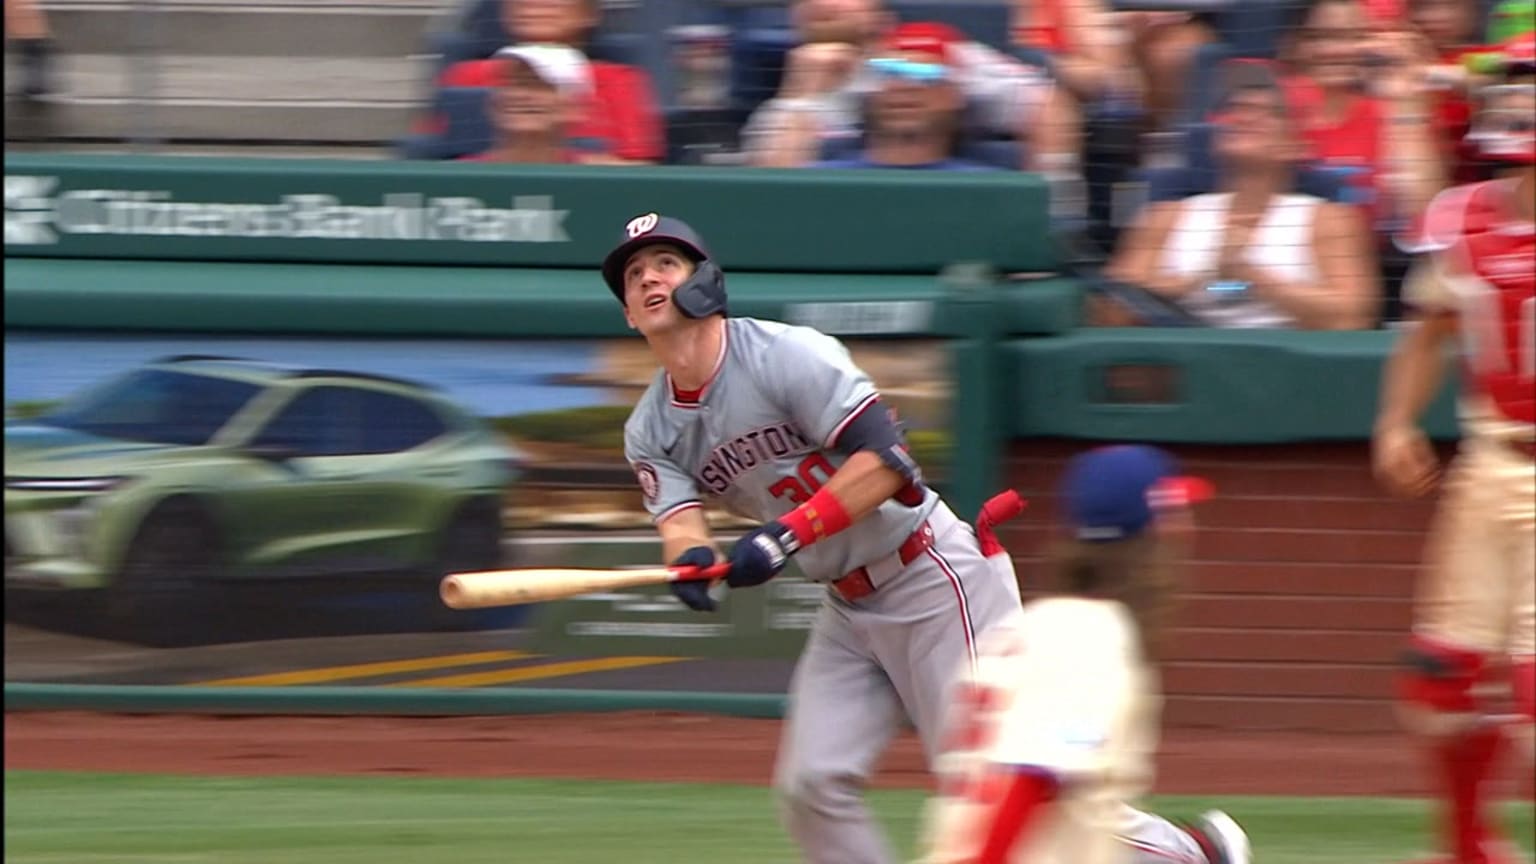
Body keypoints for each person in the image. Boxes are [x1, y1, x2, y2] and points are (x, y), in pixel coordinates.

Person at [604, 212, 1026, 864]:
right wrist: (691, 558)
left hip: (933, 574)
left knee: (994, 789)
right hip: (848, 607)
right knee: (811, 787)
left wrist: (781, 540)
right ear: (631, 313)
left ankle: (1184, 852)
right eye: (634, 275)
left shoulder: (785, 355)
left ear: (705, 281)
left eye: (666, 263)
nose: (649, 278)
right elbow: (680, 519)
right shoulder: (650, 428)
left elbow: (888, 463)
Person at [915, 445, 1251, 864]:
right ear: (1152, 535)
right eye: (1174, 516)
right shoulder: (1090, 641)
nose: (1186, 530)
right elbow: (1026, 783)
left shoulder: (1037, 628)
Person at [1371, 33, 1534, 864]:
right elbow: (1428, 329)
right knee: (1436, 679)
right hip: (1491, 461)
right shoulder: (1465, 219)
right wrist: (1397, 421)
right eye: (1512, 86)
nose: (1520, 101)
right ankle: (1467, 843)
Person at [1105, 60, 1381, 330]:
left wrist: (1250, 276)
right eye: (1236, 107)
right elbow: (1112, 312)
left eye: (1268, 111)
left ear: (1296, 145)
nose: (1245, 117)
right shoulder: (1165, 217)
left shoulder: (1329, 220)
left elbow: (1352, 318)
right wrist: (1194, 282)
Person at [742, 1, 1074, 172]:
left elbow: (1049, 107)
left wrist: (1055, 215)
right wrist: (802, 94)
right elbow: (765, 199)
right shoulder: (801, 91)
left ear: (880, 16)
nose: (824, 4)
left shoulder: (940, 50)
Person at [459, 44, 591, 164]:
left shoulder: (600, 177)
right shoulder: (458, 176)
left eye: (537, 85)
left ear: (574, 106)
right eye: (509, 84)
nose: (519, 95)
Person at [5, 0, 55, 100]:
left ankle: (34, 87)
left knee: (32, 58)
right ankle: (36, 86)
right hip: (34, 31)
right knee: (34, 58)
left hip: (27, 32)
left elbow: (10, 13)